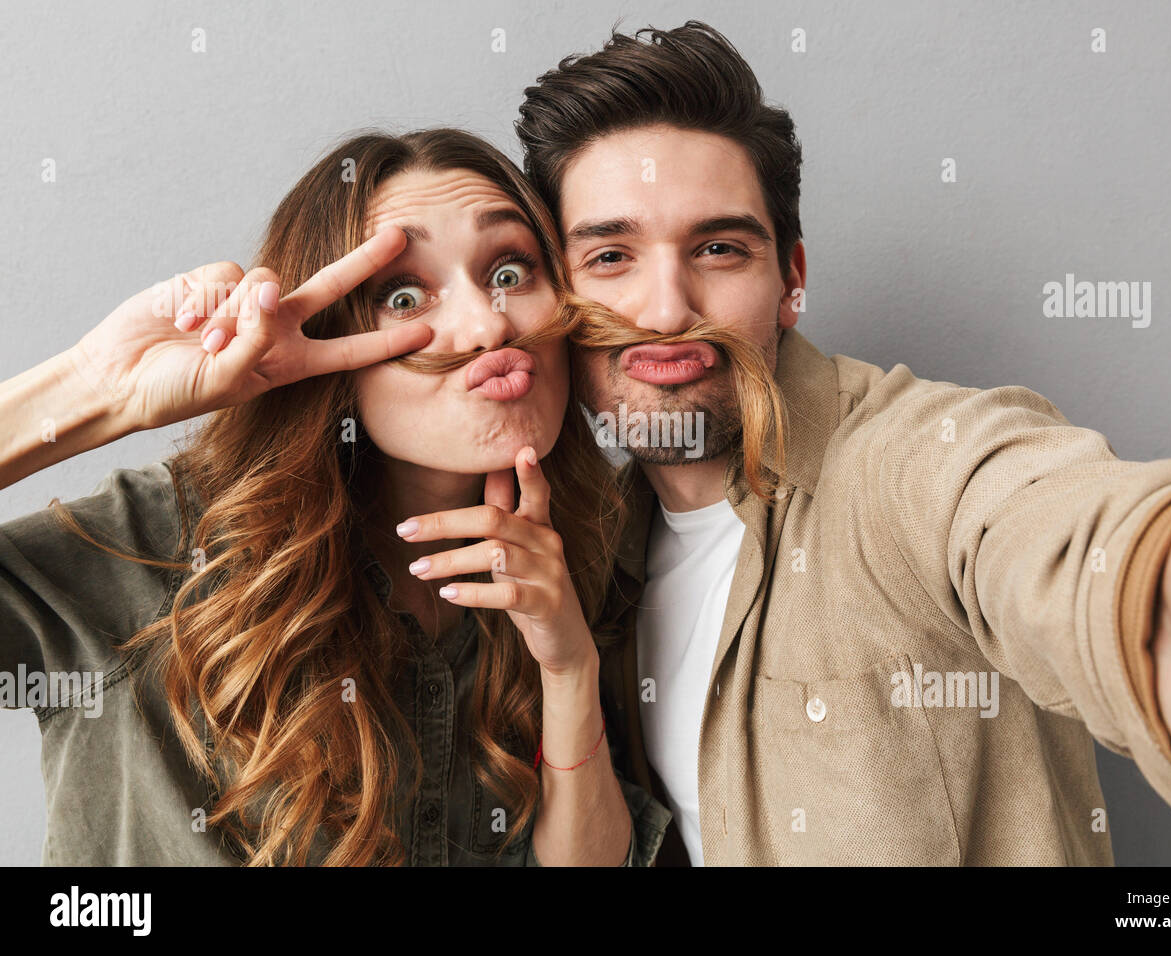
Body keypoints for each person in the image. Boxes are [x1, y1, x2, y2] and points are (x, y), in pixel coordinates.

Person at [515, 21, 1171, 865]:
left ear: (792, 280)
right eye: (609, 256)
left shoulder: (911, 460)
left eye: (718, 248)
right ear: (557, 293)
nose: (667, 309)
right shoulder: (585, 558)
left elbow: (1082, 544)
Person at [0, 127, 670, 866]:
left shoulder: (596, 558)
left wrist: (568, 667)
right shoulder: (155, 552)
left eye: (510, 272)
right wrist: (99, 385)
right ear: (322, 348)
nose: (488, 324)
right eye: (404, 295)